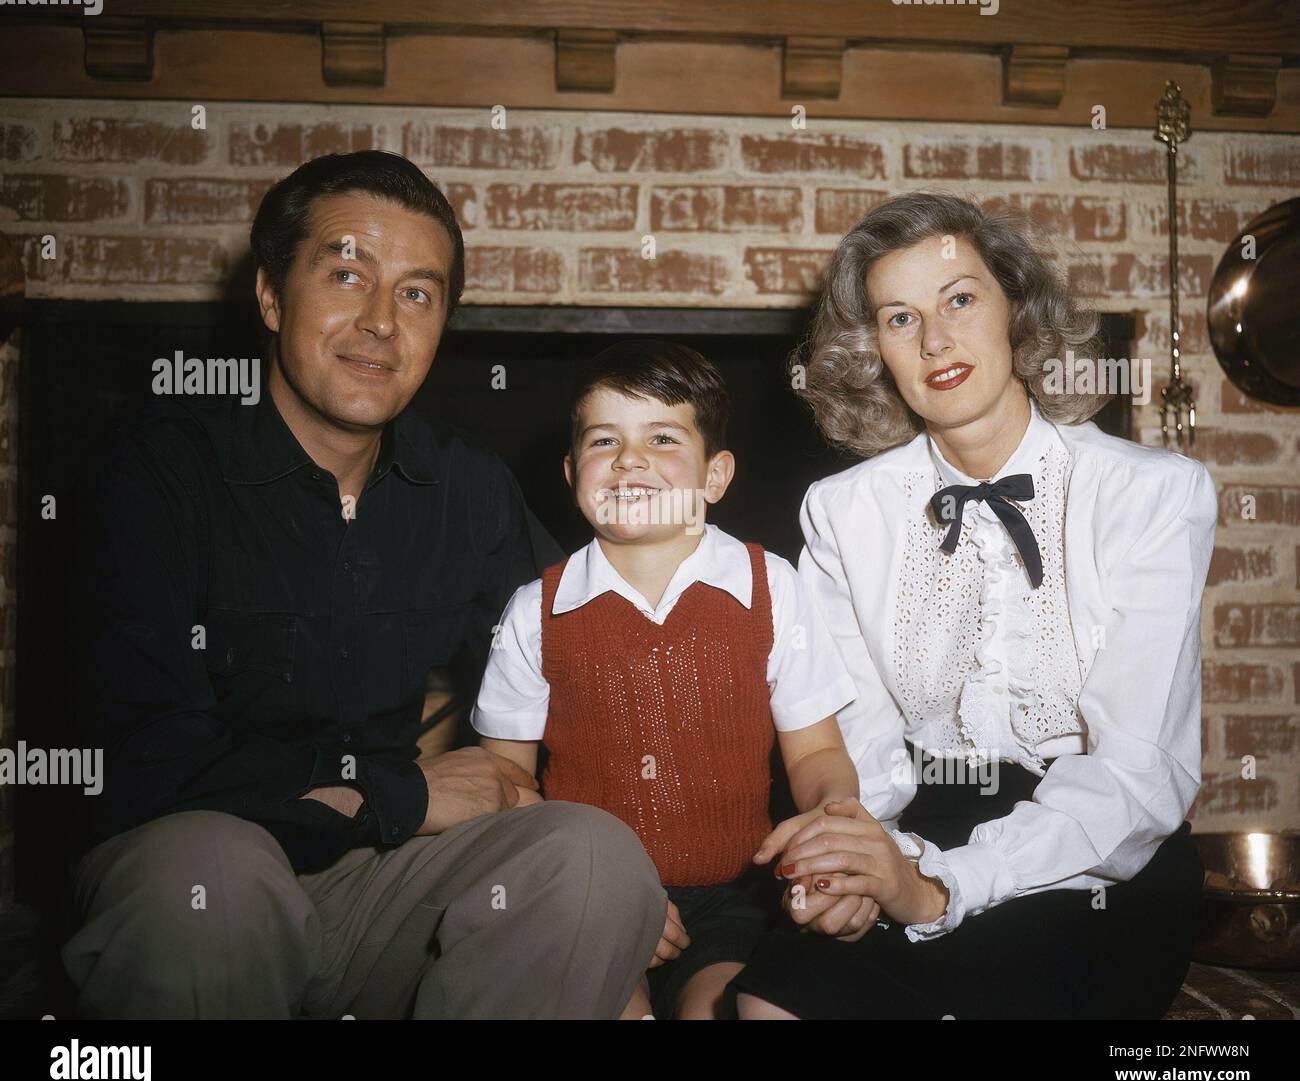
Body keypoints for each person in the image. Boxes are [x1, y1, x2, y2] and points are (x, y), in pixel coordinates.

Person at [59, 151, 666, 1019]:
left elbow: (582, 673)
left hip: (382, 887)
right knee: (217, 876)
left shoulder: (465, 485)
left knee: (593, 856)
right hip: (190, 878)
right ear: (270, 295)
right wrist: (401, 794)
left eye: (417, 293)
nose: (382, 321)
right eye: (347, 274)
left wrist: (634, 907)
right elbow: (142, 766)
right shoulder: (157, 467)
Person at [731, 192, 1217, 1020]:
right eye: (898, 317)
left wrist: (934, 886)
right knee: (771, 1004)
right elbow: (860, 747)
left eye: (960, 298)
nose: (935, 340)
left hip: (1098, 847)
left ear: (1015, 310)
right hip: (925, 817)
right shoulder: (843, 512)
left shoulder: (1153, 495)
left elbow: (1136, 775)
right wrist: (856, 861)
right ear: (873, 349)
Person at [472, 340, 862, 1019]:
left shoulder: (772, 587)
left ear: (716, 476)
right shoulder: (536, 611)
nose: (629, 459)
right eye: (604, 439)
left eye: (661, 437)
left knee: (728, 1007)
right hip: (591, 892)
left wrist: (832, 827)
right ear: (571, 473)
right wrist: (599, 897)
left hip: (736, 894)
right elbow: (504, 780)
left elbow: (819, 753)